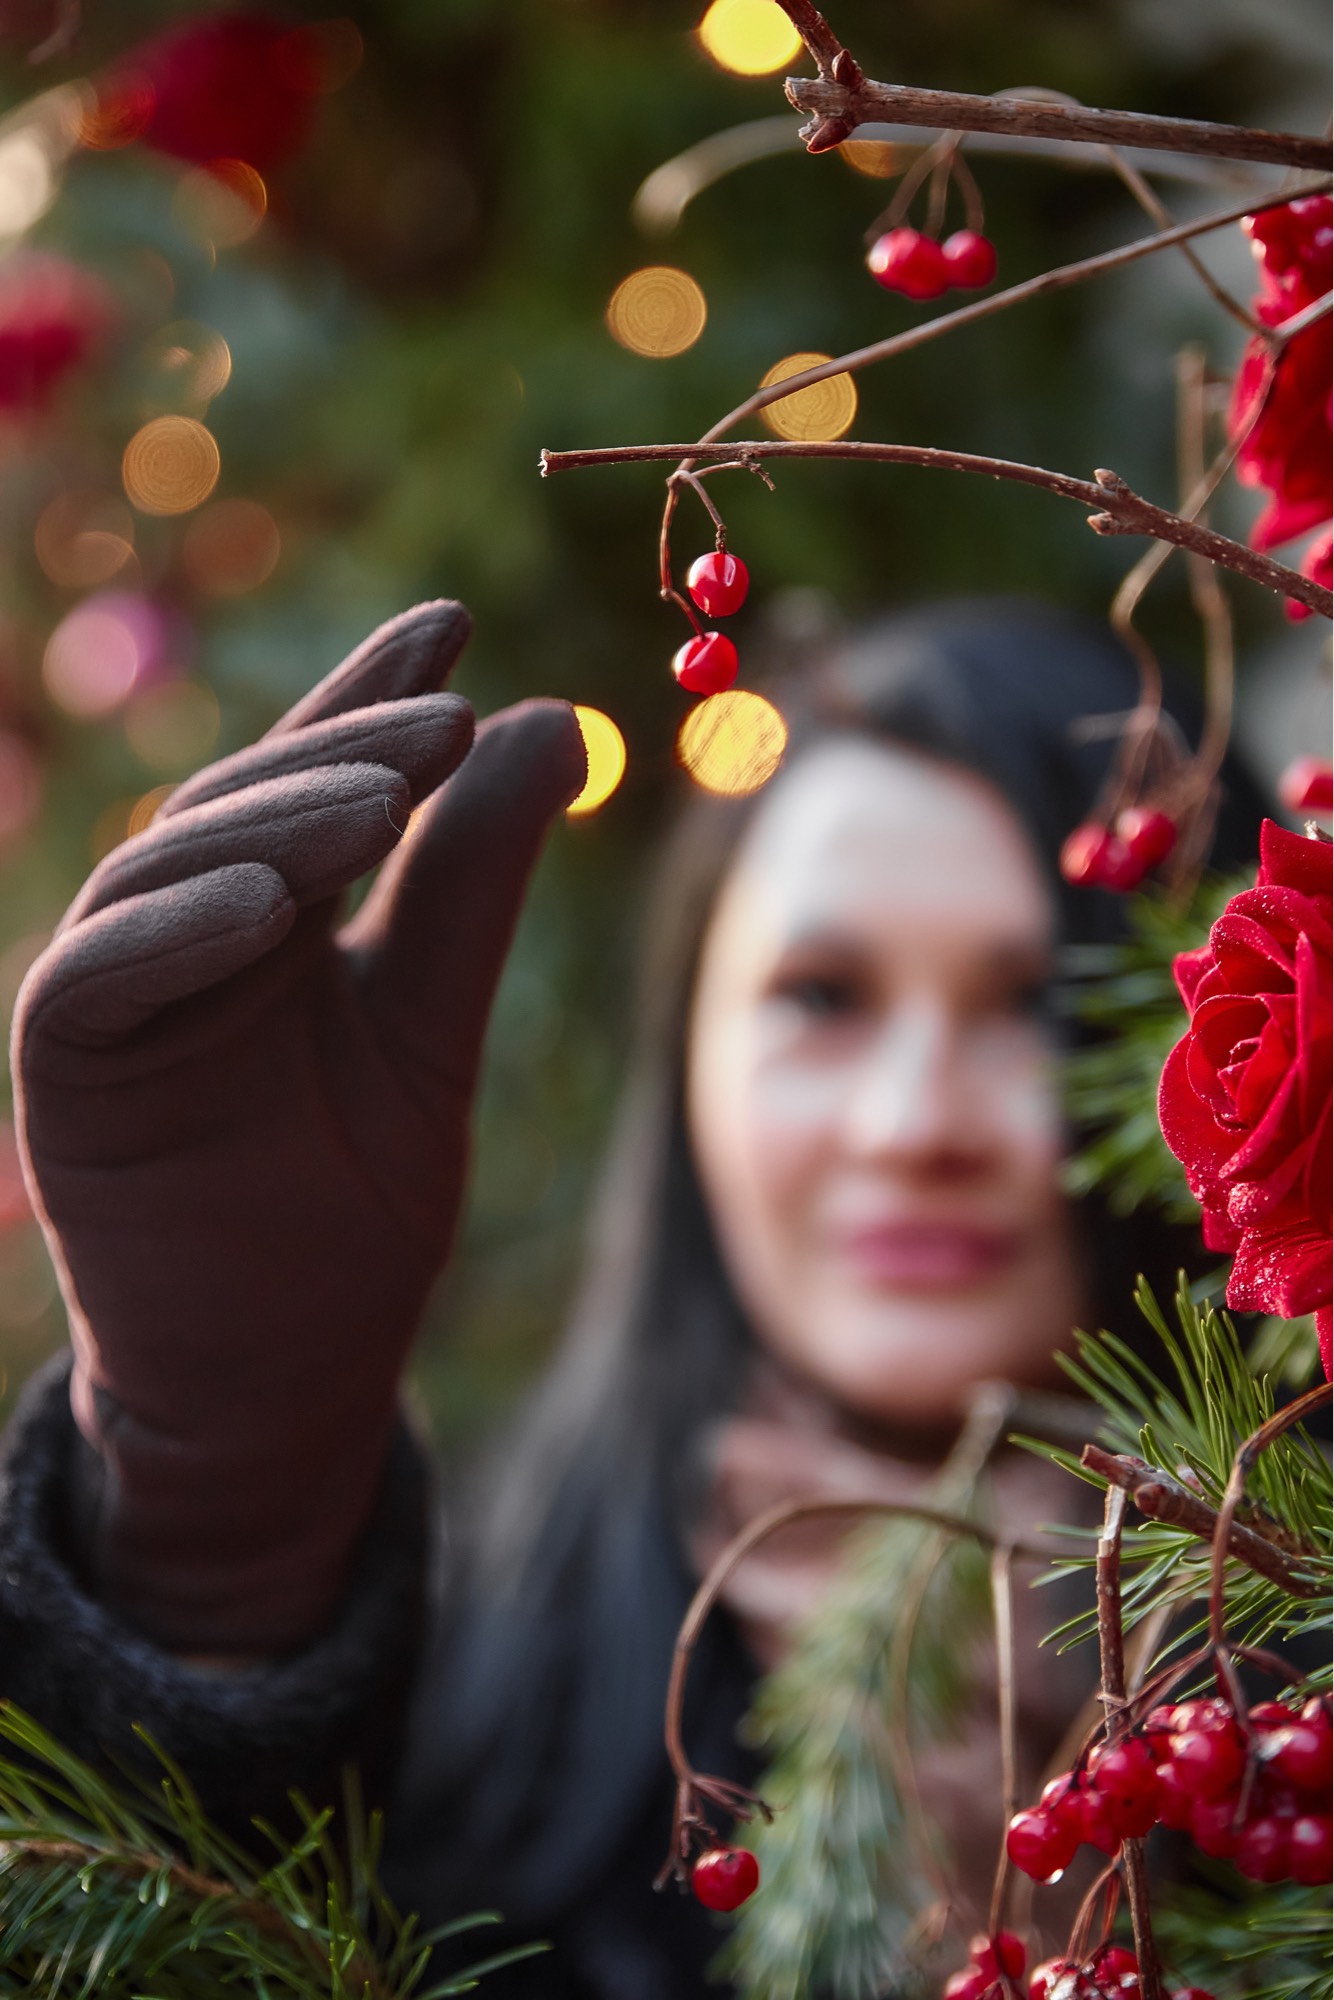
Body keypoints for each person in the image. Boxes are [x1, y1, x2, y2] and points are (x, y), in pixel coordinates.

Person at [0, 595, 1259, 1996]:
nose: (913, 1123)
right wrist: (212, 1573)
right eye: (823, 996)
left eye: (1039, 1003)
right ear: (690, 1065)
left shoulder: (1291, 1743)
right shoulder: (445, 1703)